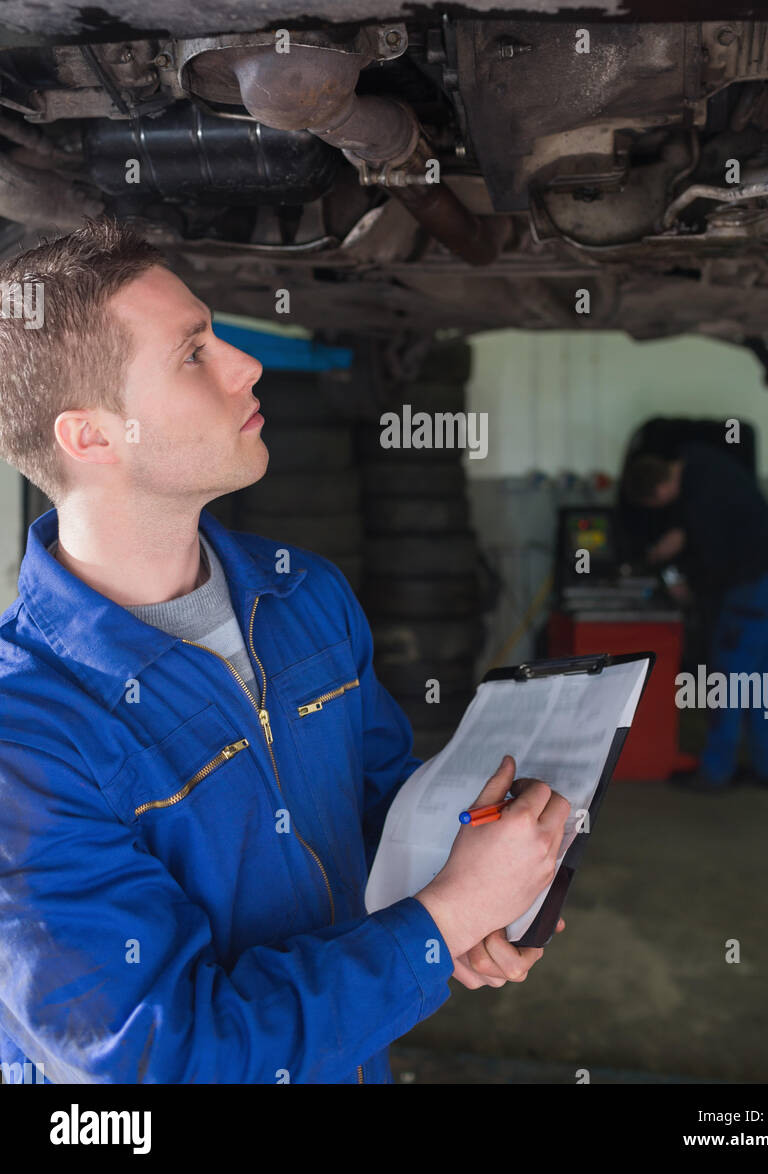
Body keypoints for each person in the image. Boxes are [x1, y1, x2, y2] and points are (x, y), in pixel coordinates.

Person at [0, 217, 570, 1085]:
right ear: (92, 437)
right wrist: (443, 922)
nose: (246, 364)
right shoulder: (26, 735)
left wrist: (482, 879)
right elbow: (165, 1059)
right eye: (194, 354)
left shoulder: (302, 595)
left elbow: (377, 809)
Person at [622, 441, 768, 792]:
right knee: (759, 679)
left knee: (729, 681)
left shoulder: (700, 501)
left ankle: (715, 772)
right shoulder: (698, 461)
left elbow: (713, 563)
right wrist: (676, 540)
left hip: (752, 585)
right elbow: (699, 523)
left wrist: (686, 589)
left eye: (657, 503)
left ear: (659, 489)